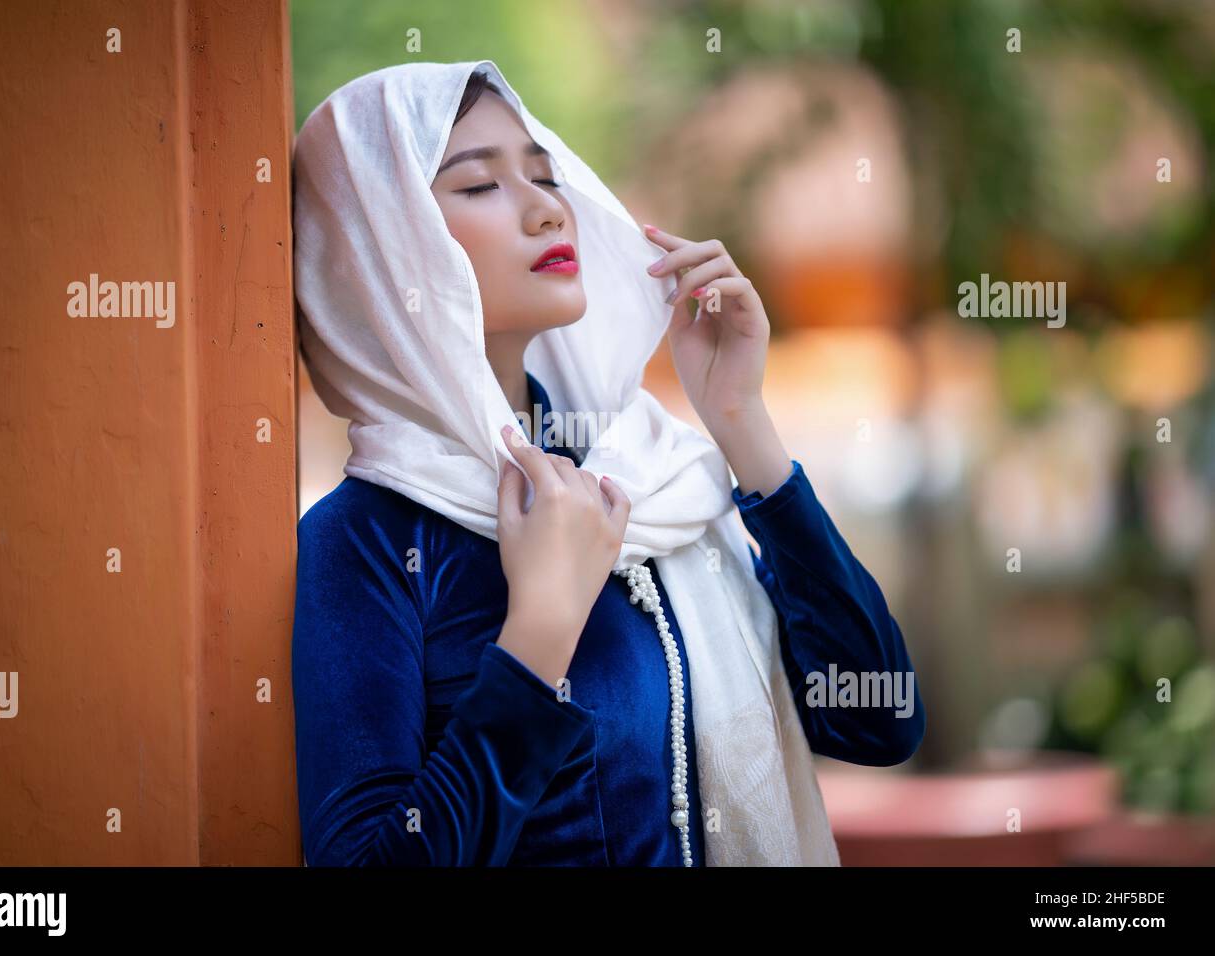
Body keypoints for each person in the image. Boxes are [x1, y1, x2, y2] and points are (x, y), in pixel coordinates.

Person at [291, 60, 925, 867]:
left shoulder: (640, 478)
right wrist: (539, 633)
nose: (545, 208)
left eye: (545, 175)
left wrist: (740, 422)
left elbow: (878, 722)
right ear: (385, 247)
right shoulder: (365, 541)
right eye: (479, 186)